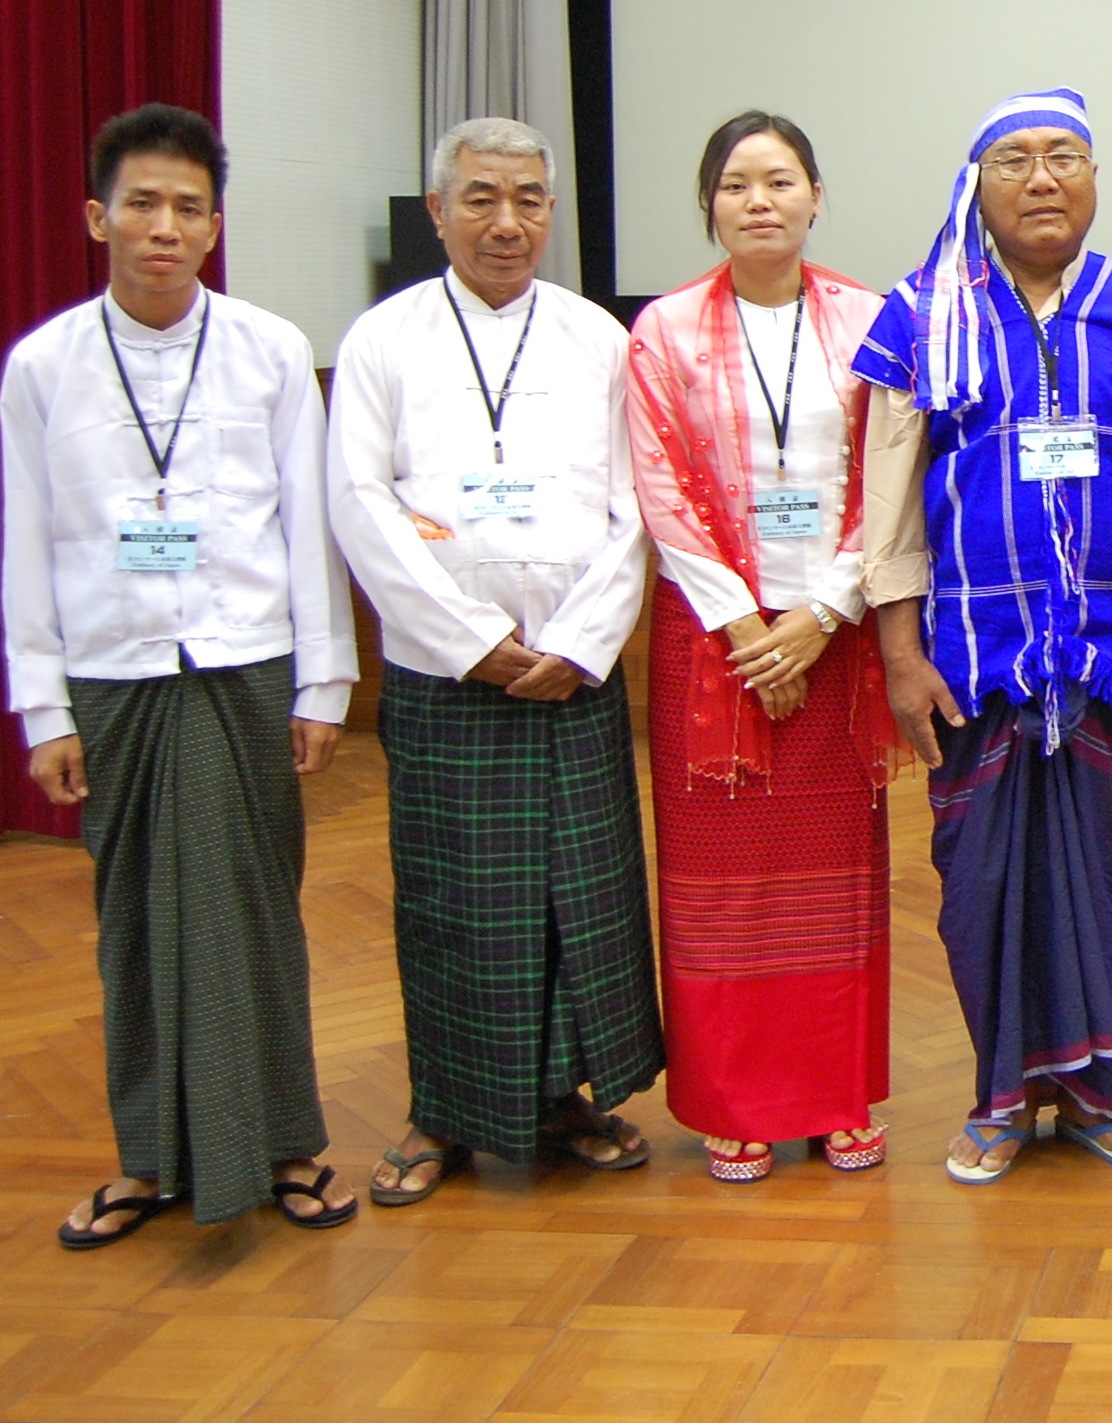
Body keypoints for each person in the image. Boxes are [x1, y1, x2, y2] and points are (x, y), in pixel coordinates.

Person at [854, 87, 1112, 1184]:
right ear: (978, 183)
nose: (1041, 177)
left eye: (1064, 156)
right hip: (973, 664)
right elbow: (887, 505)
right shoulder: (923, 314)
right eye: (1013, 158)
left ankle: (1101, 1093)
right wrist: (897, 653)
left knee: (1111, 884)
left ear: (1095, 178)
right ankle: (1000, 1097)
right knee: (978, 890)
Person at [2, 105, 361, 1243]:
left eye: (189, 207)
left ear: (216, 226)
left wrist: (323, 683)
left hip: (245, 667)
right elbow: (27, 538)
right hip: (114, 677)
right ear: (97, 215)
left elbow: (308, 525)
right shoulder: (43, 364)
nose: (165, 226)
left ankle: (292, 1142)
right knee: (135, 922)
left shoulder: (263, 347)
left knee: (259, 909)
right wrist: (41, 705)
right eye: (143, 204)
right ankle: (149, 1155)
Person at [329, 117, 662, 1203]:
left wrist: (576, 641)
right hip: (446, 675)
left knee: (581, 894)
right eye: (480, 197)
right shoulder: (383, 339)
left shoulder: (599, 339)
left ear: (552, 213)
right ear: (438, 211)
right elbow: (360, 505)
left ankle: (570, 1094)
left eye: (528, 198)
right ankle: (444, 1110)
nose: (506, 221)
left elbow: (637, 506)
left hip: (573, 670)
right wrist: (469, 642)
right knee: (450, 897)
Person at [626, 113, 895, 1184]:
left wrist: (821, 613)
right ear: (710, 206)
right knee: (719, 886)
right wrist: (744, 624)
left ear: (816, 195)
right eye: (735, 184)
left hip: (834, 641)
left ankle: (834, 1097)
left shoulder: (870, 321)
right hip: (714, 648)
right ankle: (732, 1100)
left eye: (780, 180)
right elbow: (658, 483)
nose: (759, 200)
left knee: (835, 880)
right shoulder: (663, 329)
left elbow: (892, 472)